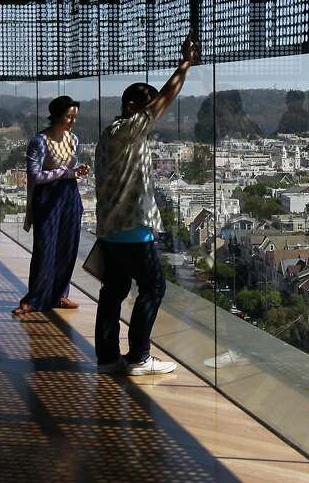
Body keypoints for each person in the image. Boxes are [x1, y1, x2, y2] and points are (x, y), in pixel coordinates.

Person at [94, 30, 200, 375]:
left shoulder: (108, 136)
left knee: (114, 291)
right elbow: (165, 99)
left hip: (110, 228)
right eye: (146, 111)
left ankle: (108, 358)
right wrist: (184, 66)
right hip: (132, 229)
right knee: (153, 286)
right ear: (131, 108)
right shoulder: (127, 131)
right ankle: (138, 356)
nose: (152, 119)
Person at [14, 96, 91, 315]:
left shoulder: (73, 140)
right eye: (69, 116)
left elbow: (70, 169)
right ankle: (34, 298)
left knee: (68, 248)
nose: (72, 121)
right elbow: (34, 175)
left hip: (69, 195)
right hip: (47, 198)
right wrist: (67, 172)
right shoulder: (39, 141)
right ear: (57, 115)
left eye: (75, 117)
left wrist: (77, 172)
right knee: (44, 248)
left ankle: (59, 294)